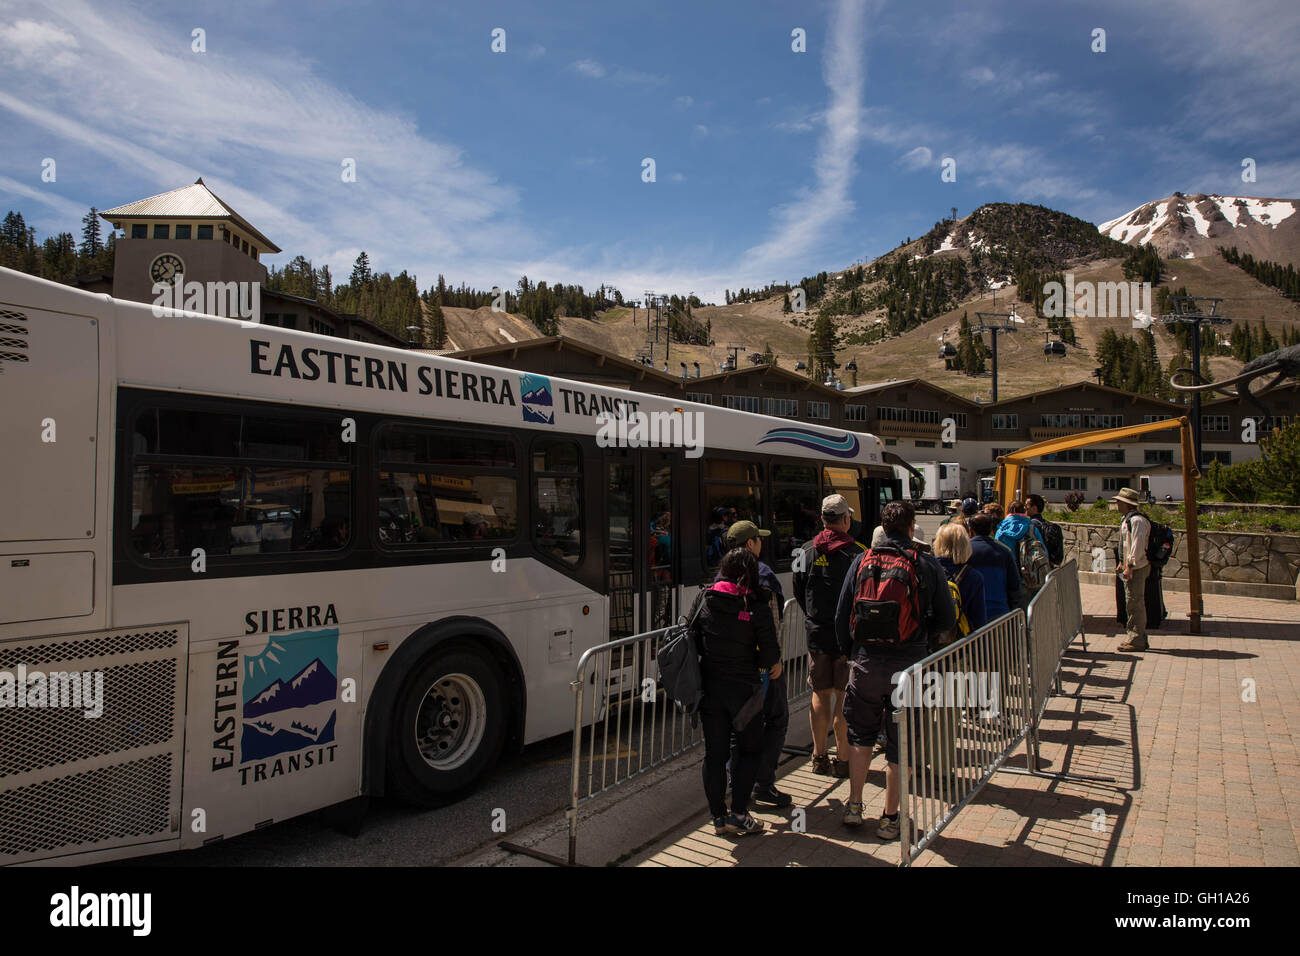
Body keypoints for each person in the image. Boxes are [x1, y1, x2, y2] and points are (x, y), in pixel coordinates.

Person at [834, 500, 956, 838]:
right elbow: (947, 618)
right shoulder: (926, 565)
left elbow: (841, 616)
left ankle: (855, 806)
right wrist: (924, 640)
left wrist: (853, 653)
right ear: (911, 525)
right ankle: (890, 818)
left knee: (860, 736)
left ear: (883, 527)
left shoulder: (861, 561)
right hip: (910, 665)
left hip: (866, 664)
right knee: (900, 744)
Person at [689, 547, 780, 835]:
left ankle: (717, 817)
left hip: (710, 689)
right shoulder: (757, 606)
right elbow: (769, 657)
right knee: (750, 749)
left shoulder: (704, 597)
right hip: (745, 693)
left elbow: (689, 637)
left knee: (714, 754)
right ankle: (739, 813)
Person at [792, 494, 866, 779]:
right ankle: (843, 760)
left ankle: (818, 755)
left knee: (819, 695)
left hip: (818, 635)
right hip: (846, 637)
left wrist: (813, 616)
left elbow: (799, 591)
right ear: (845, 519)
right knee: (844, 697)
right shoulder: (858, 553)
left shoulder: (805, 551)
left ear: (823, 519)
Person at [722, 520, 790, 807]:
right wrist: (774, 660)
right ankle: (764, 783)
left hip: (731, 667)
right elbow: (772, 623)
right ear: (750, 544)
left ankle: (738, 786)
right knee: (776, 719)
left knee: (740, 727)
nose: (762, 544)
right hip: (762, 667)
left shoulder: (721, 575)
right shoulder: (764, 575)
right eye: (759, 540)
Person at [1113, 487, 1152, 653]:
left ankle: (1137, 638)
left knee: (1135, 602)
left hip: (1136, 567)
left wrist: (1129, 566)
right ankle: (1135, 636)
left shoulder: (1136, 521)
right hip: (1132, 566)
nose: (1117, 504)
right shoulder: (1128, 519)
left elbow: (1136, 545)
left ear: (1126, 504)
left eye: (1119, 501)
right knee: (1131, 602)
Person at [933, 523, 988, 635]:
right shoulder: (974, 577)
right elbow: (979, 618)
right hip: (961, 640)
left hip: (931, 641)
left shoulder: (928, 569)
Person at [967, 512, 1020, 619]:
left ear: (970, 530)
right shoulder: (1005, 552)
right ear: (991, 530)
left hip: (970, 614)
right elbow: (1014, 586)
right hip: (999, 614)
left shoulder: (963, 552)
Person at [1025, 494, 1064, 567]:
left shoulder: (1032, 525)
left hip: (1038, 565)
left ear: (1034, 508)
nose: (1025, 508)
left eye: (1027, 505)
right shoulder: (1047, 524)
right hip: (1050, 564)